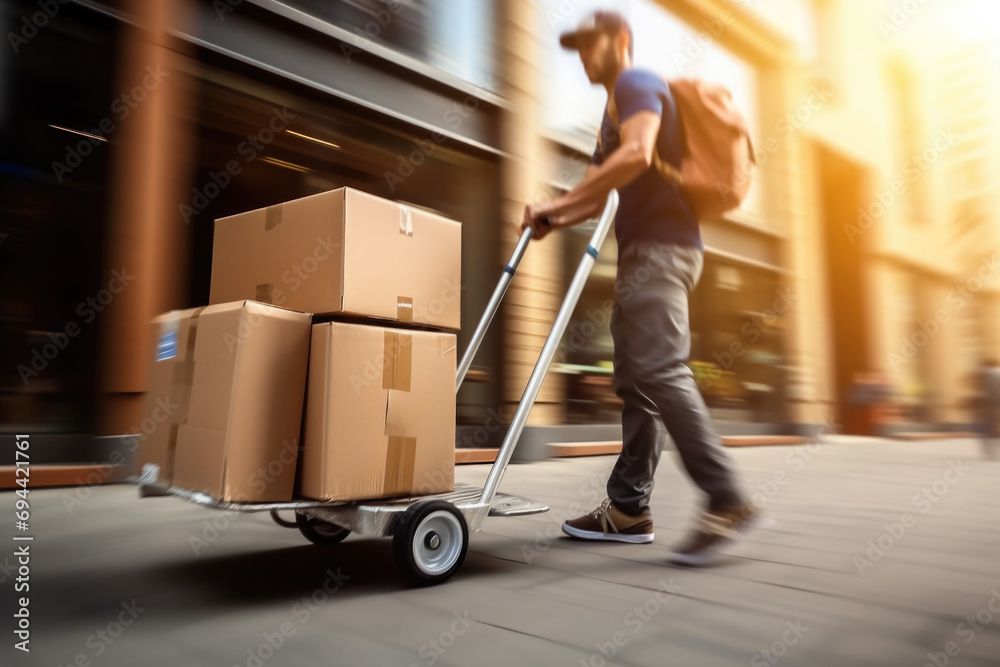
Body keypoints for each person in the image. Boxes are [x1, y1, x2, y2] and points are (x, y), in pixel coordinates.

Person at [520, 10, 767, 566]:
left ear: (621, 41)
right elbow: (594, 187)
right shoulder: (613, 110)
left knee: (659, 370)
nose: (583, 53)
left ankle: (727, 498)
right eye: (576, 47)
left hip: (662, 250)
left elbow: (636, 154)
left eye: (592, 42)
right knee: (636, 381)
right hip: (640, 256)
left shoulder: (637, 84)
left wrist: (557, 207)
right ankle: (628, 510)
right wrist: (552, 217)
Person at [975, 359, 1000, 460]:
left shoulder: (986, 374)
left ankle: (989, 450)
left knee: (988, 426)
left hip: (989, 403)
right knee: (994, 425)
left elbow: (983, 390)